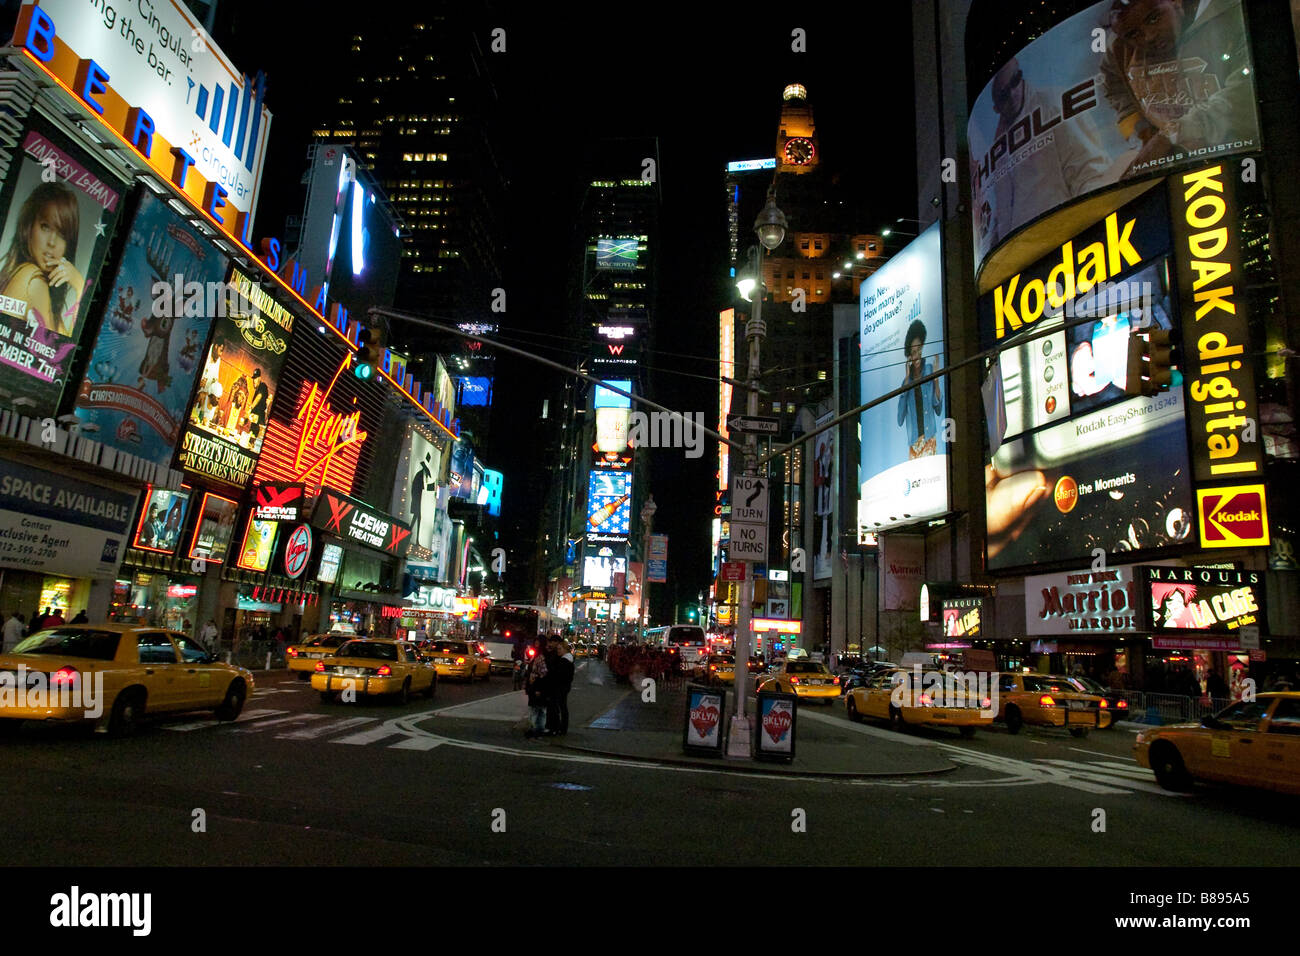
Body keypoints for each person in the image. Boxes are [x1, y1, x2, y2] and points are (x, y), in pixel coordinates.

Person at [1101, 0, 1257, 178]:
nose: (1149, 36)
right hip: (1173, 171)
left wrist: (1170, 136)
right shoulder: (1118, 47)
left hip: (1239, 160)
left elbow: (1246, 96)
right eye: (1134, 34)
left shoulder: (1234, 15)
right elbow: (1115, 87)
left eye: (1153, 19)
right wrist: (1141, 132)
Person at [0, 181, 84, 335]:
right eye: (45, 227)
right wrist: (80, 286)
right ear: (29, 226)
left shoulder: (19, 273)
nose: (52, 242)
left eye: (62, 234)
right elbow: (57, 350)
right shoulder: (34, 280)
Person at [896, 319, 944, 460]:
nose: (917, 356)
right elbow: (899, 419)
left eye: (919, 350)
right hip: (913, 444)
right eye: (913, 352)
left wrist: (936, 380)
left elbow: (938, 408)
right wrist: (906, 384)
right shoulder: (906, 383)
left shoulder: (929, 370)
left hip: (929, 439)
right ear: (909, 356)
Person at [548, 639, 576, 736]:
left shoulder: (564, 661)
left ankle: (561, 728)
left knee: (560, 707)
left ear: (565, 649)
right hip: (564, 687)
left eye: (560, 649)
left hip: (560, 687)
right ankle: (562, 727)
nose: (558, 651)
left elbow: (558, 674)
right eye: (557, 649)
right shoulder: (567, 660)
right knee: (562, 707)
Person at [524, 641, 549, 739]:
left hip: (537, 687)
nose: (535, 645)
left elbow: (543, 674)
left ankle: (535, 730)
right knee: (538, 710)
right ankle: (536, 730)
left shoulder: (540, 658)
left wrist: (538, 688)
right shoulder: (537, 657)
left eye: (538, 643)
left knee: (537, 710)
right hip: (535, 686)